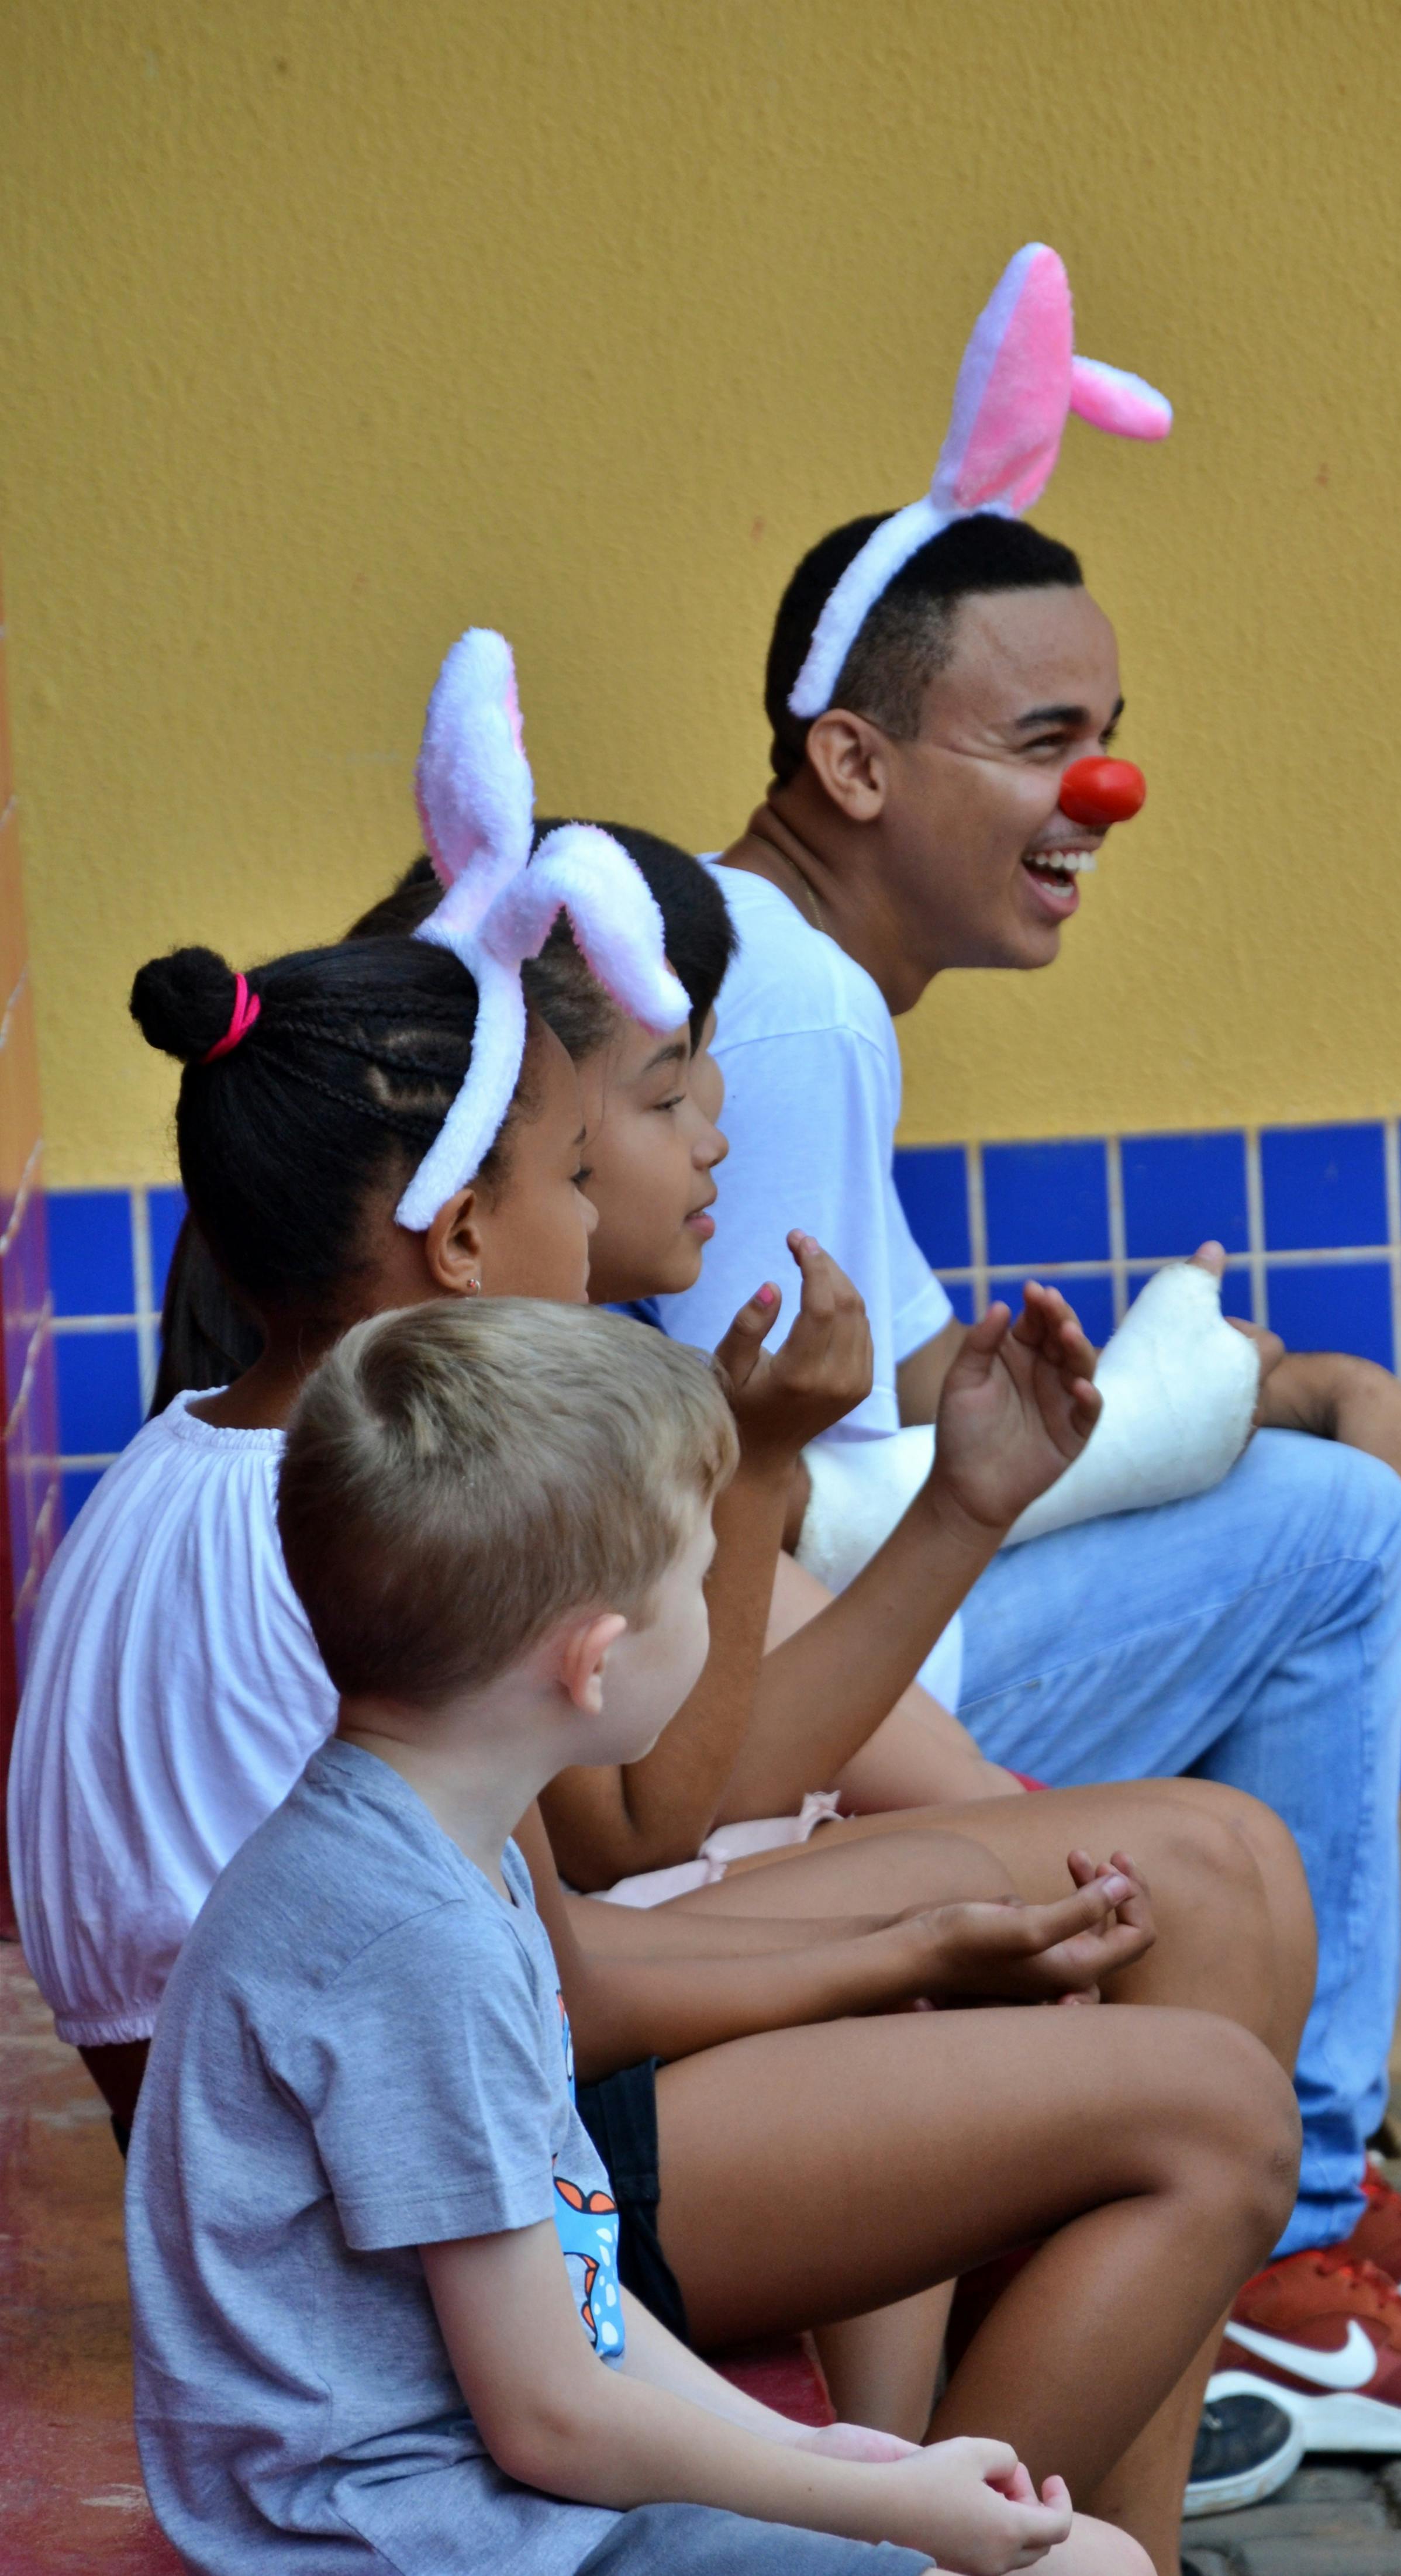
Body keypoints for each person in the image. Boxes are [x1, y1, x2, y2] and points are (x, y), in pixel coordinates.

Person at [8, 894, 1331, 2563]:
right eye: (584, 1157)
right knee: (1206, 2094)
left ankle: (994, 2508)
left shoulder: (337, 1489)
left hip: (432, 2132)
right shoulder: (383, 1537)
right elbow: (620, 1880)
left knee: (1199, 1869)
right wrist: (892, 1942)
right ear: (459, 1238)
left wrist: (911, 1907)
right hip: (396, 2201)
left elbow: (598, 1870)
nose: (679, 1158)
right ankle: (973, 2527)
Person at [651, 333, 1401, 2430]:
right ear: (848, 764)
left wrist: (1269, 1378)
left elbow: (900, 1385)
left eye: (1109, 735)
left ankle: (1283, 2203)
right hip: (748, 1736)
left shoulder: (799, 976)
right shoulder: (802, 1011)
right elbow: (794, 1487)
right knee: (1329, 1541)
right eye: (1039, 738)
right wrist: (1259, 1423)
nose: (1099, 792)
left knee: (1301, 1486)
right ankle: (1282, 2234)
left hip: (763, 1687)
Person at [126, 1293, 1163, 2576]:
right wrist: (880, 2512)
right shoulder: (414, 1943)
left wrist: (841, 2463)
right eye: (696, 1575)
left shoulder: (440, 1842)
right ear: (597, 1662)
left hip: (472, 2500)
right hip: (413, 2539)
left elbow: (572, 2271)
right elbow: (553, 2416)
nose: (718, 1606)